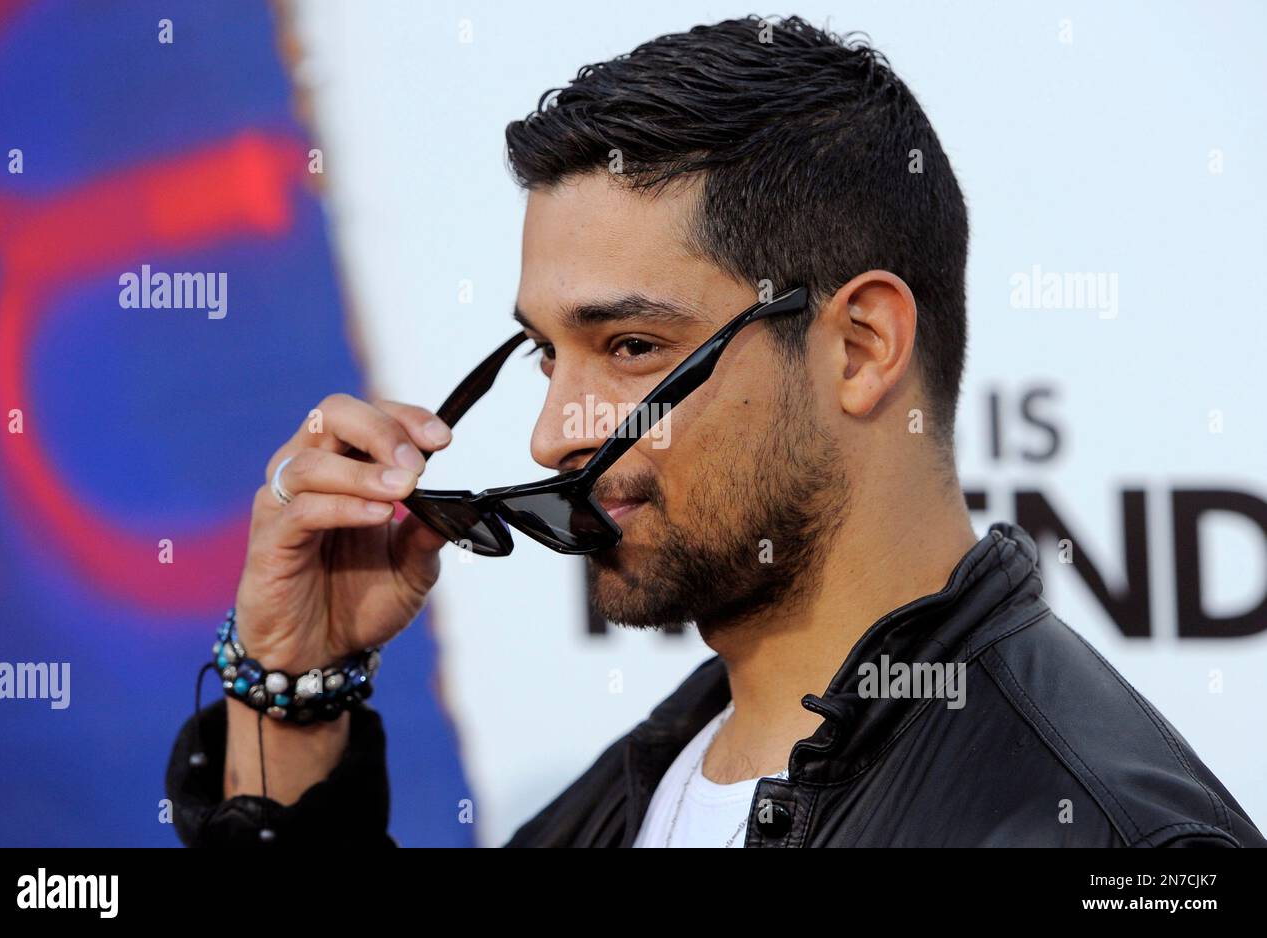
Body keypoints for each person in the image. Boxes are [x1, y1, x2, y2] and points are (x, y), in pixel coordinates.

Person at [165, 15, 1265, 847]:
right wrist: (292, 686)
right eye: (547, 355)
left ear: (862, 345)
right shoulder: (620, 798)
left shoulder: (1104, 833)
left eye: (633, 347)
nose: (554, 435)